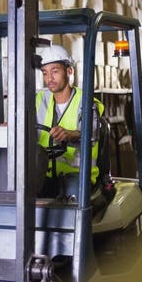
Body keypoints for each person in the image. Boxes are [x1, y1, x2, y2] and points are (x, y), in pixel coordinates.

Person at [36, 43, 104, 195]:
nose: (49, 78)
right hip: (44, 173)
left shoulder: (86, 101)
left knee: (70, 206)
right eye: (45, 73)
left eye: (55, 71)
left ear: (69, 71)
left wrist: (70, 134)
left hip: (77, 175)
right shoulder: (39, 99)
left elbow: (91, 133)